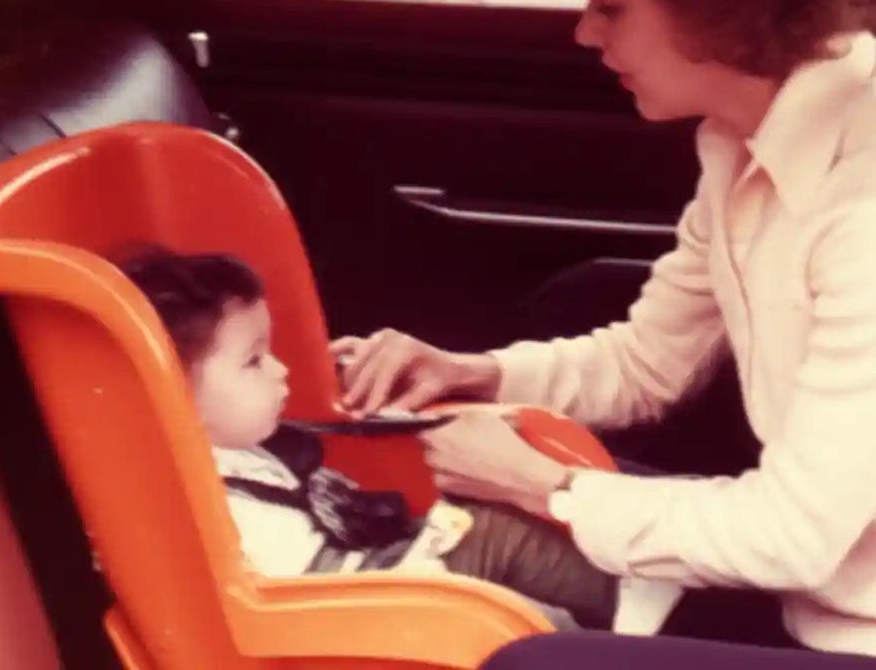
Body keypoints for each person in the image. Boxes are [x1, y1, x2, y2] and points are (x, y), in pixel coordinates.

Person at [335, 0, 876, 668]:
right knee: (452, 534)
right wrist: (474, 375)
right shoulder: (747, 139)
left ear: (719, 11)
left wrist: (540, 486)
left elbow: (789, 539)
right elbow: (645, 366)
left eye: (609, 6)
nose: (583, 31)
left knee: (525, 661)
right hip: (822, 603)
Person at [119, 247, 618, 629]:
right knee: (533, 619)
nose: (281, 370)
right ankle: (626, 626)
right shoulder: (199, 505)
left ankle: (645, 607)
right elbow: (308, 607)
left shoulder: (232, 450)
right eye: (253, 362)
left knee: (504, 534)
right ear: (169, 394)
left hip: (392, 568)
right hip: (382, 608)